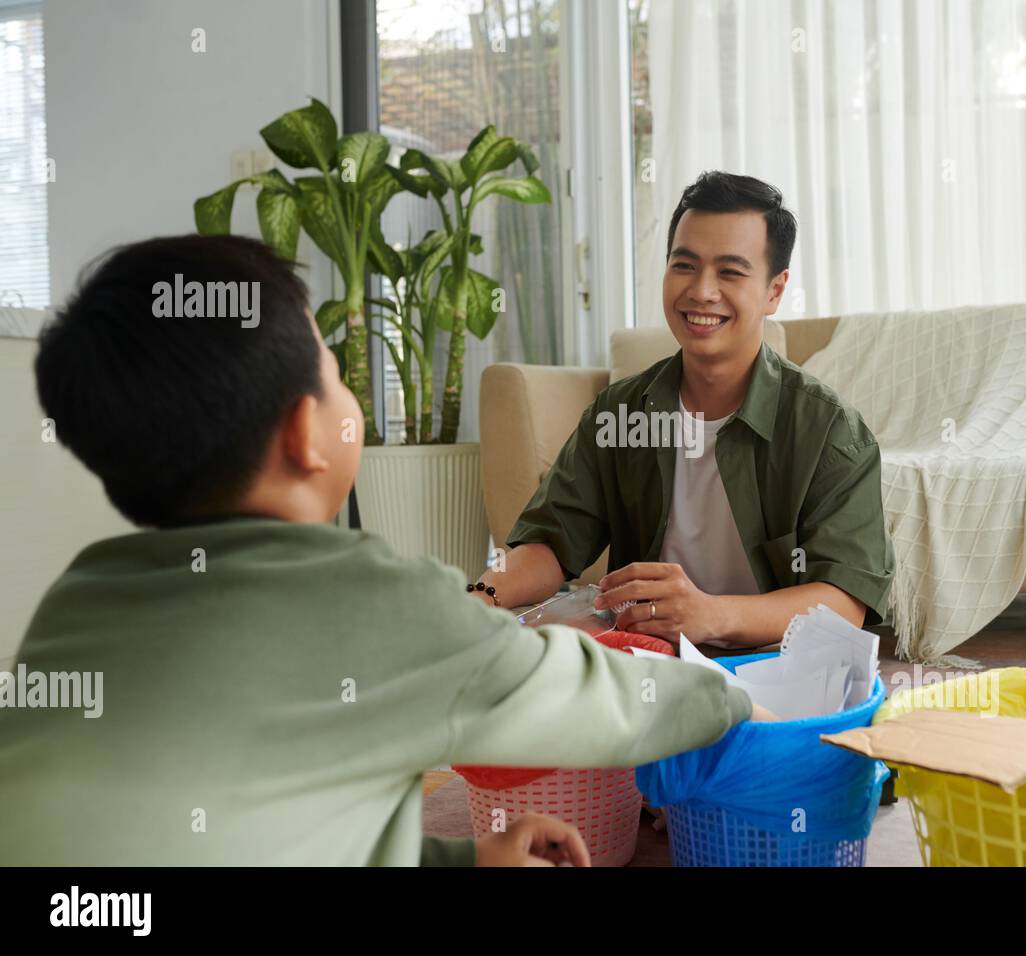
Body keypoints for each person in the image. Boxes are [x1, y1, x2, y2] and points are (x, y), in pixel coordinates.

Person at [0, 234, 759, 866]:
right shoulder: (371, 603)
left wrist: (463, 859)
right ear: (306, 434)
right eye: (333, 372)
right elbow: (601, 704)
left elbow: (277, 834)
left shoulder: (76, 600)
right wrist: (736, 699)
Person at [472, 172, 894, 649]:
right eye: (684, 265)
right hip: (648, 663)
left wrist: (709, 615)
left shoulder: (830, 432)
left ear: (775, 291)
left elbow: (845, 601)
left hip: (775, 670)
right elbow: (550, 541)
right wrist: (478, 599)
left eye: (730, 272)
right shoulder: (621, 413)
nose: (701, 291)